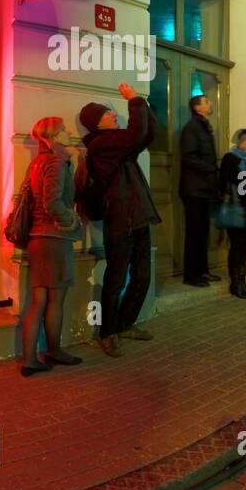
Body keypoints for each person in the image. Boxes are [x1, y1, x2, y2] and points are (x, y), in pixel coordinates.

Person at [76, 82, 157, 356]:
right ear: (97, 123)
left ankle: (125, 324)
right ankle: (108, 332)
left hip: (139, 217)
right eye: (108, 114)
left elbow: (145, 135)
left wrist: (141, 104)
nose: (114, 115)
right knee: (117, 277)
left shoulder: (117, 144)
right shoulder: (101, 144)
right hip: (121, 220)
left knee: (142, 276)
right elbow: (135, 135)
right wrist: (133, 100)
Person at [11, 115, 84, 374]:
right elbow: (53, 203)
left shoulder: (38, 162)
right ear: (53, 137)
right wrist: (71, 221)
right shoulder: (55, 162)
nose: (67, 132)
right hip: (54, 239)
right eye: (63, 129)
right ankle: (53, 350)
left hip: (37, 241)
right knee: (55, 301)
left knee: (38, 300)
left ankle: (30, 360)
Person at [176, 93, 219, 288]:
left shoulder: (202, 127)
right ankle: (191, 275)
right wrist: (211, 168)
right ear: (197, 107)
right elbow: (189, 157)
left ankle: (202, 271)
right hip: (193, 189)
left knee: (202, 232)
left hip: (203, 188)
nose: (210, 104)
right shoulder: (191, 129)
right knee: (194, 233)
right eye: (207, 102)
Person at [217, 127, 246, 299]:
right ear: (243, 140)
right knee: (236, 247)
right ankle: (236, 284)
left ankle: (243, 283)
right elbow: (226, 183)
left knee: (243, 247)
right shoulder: (230, 158)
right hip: (235, 208)